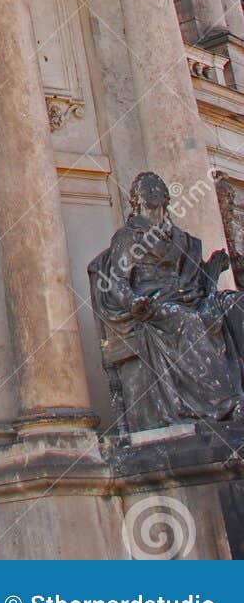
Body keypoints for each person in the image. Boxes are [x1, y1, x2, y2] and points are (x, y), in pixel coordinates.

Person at [89, 170, 244, 433]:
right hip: (152, 302)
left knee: (234, 303)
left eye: (157, 186)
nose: (152, 190)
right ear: (135, 199)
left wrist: (211, 271)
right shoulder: (130, 236)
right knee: (185, 319)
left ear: (166, 196)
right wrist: (133, 300)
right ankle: (223, 402)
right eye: (146, 188)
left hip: (185, 295)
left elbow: (193, 278)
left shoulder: (179, 237)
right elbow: (115, 280)